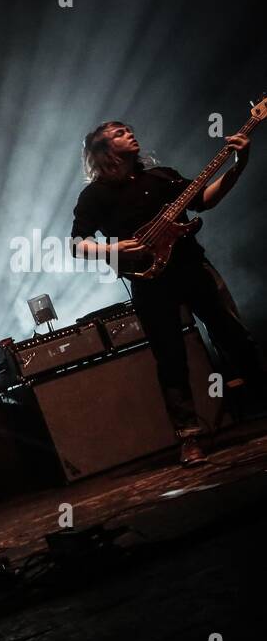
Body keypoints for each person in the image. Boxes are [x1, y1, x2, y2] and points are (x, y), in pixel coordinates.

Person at [71, 121, 262, 466]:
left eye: (127, 129)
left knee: (235, 336)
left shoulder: (161, 177)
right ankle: (189, 438)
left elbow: (203, 200)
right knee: (171, 358)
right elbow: (76, 243)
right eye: (117, 132)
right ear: (101, 151)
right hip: (150, 280)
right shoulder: (95, 195)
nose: (129, 132)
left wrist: (240, 164)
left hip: (192, 268)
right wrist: (112, 251)